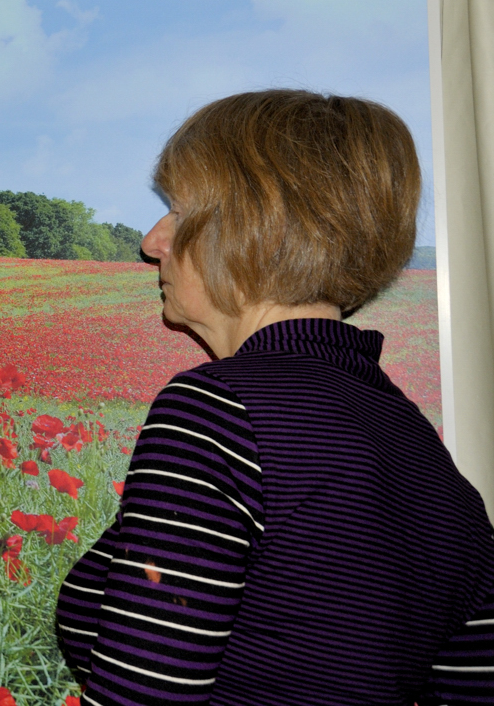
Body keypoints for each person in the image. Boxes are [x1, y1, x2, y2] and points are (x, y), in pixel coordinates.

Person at [54, 90, 494, 705]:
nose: (152, 242)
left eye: (177, 211)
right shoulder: (427, 457)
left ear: (249, 226)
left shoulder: (217, 414)